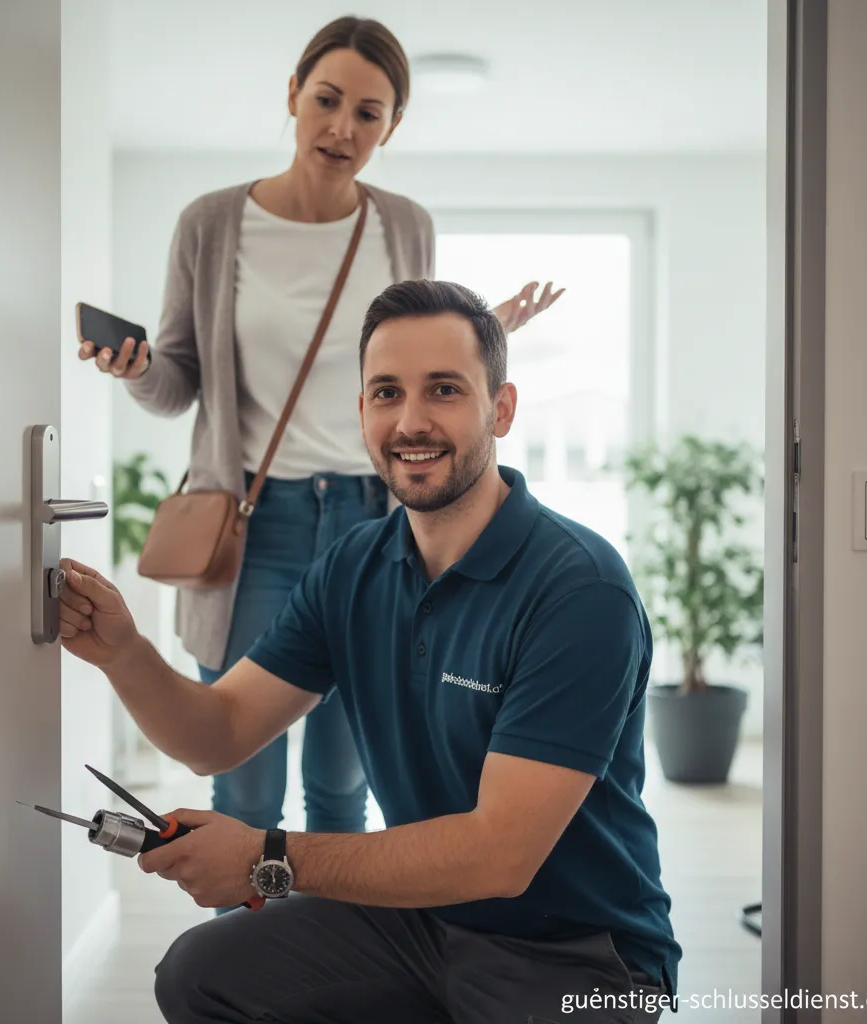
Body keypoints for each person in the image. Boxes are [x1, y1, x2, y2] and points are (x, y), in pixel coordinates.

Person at [60, 279, 682, 1023]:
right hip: (424, 921)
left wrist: (270, 855)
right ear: (362, 413)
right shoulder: (354, 566)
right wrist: (122, 651)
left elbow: (500, 856)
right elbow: (217, 733)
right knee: (203, 972)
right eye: (386, 393)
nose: (411, 421)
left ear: (502, 409)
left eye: (444, 390)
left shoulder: (579, 589)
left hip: (578, 952)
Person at [78, 16, 562, 843]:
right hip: (253, 527)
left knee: (343, 789)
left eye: (369, 113)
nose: (343, 128)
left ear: (392, 127)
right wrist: (137, 368)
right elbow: (176, 387)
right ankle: (241, 969)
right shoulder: (212, 222)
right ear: (293, 94)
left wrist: (484, 334)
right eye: (328, 100)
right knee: (243, 791)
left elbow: (413, 353)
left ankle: (330, 968)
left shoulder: (404, 224)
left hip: (376, 521)